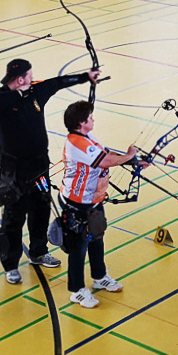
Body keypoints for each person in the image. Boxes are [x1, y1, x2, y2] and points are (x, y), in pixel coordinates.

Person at [0, 57, 102, 284]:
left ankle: (38, 251)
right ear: (19, 79)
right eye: (28, 75)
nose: (33, 78)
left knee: (41, 208)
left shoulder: (35, 93)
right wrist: (23, 91)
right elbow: (8, 98)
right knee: (13, 215)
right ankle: (10, 264)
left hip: (39, 167)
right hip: (15, 172)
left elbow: (56, 83)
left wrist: (85, 77)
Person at [59, 100, 134, 308]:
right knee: (78, 246)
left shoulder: (88, 137)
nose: (93, 120)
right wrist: (128, 156)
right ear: (82, 123)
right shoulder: (76, 142)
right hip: (76, 203)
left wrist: (133, 162)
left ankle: (99, 277)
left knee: (96, 237)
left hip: (92, 200)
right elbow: (105, 162)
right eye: (90, 117)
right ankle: (76, 290)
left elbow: (107, 154)